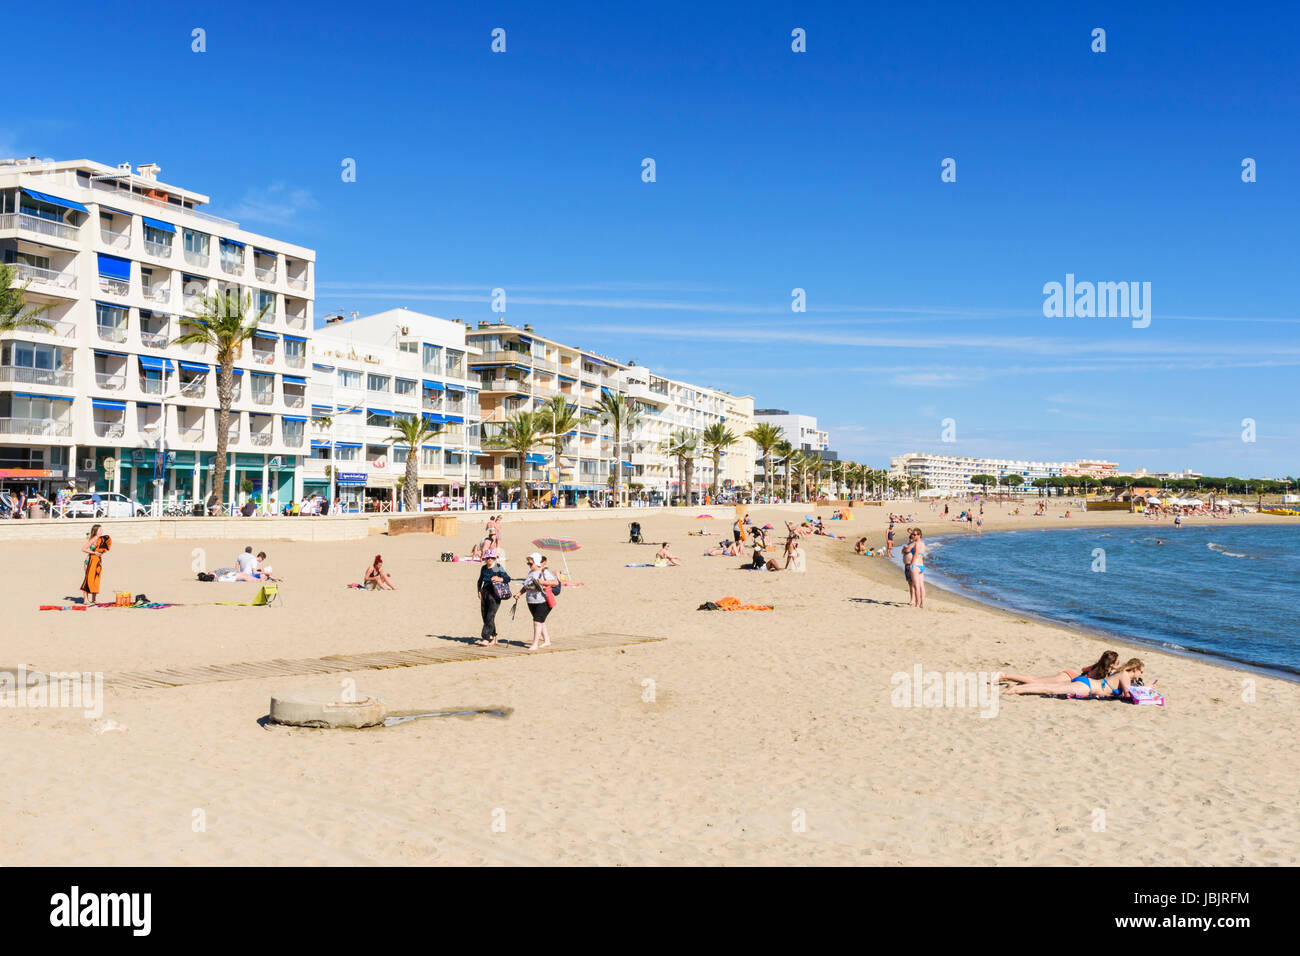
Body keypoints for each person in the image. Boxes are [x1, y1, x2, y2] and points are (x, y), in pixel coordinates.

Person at [1006, 658, 1145, 699]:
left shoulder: (1121, 673)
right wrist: (1148, 689)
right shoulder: (1126, 675)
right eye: (1141, 671)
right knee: (1049, 689)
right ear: (1135, 669)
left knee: (1050, 688)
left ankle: (1018, 688)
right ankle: (1016, 689)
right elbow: (1128, 695)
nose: (1141, 675)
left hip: (1087, 683)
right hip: (1087, 687)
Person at [1000, 651, 1118, 687]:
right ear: (1111, 664)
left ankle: (1008, 677)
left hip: (1071, 675)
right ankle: (1005, 676)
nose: (1118, 664)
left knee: (1037, 680)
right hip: (1070, 678)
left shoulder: (1097, 666)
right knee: (1036, 681)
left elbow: (1083, 669)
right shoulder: (1105, 674)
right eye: (1117, 662)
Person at [519, 552, 559, 651]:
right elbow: (526, 586)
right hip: (531, 601)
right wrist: (519, 593)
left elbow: (556, 583)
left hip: (543, 601)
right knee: (541, 621)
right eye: (528, 563)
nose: (529, 565)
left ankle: (535, 644)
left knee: (537, 622)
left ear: (536, 562)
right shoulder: (530, 573)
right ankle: (547, 641)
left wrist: (543, 582)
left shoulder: (544, 572)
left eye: (530, 563)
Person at [474, 553, 512, 645]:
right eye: (487, 558)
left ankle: (486, 638)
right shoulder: (484, 568)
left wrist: (499, 578)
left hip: (495, 593)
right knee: (485, 615)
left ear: (494, 558)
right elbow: (479, 581)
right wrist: (479, 591)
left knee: (490, 616)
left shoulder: (496, 567)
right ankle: (494, 638)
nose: (489, 559)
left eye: (491, 558)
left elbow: (507, 578)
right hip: (485, 593)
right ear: (485, 559)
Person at [80, 524, 109, 605]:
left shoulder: (101, 539)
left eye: (101, 529)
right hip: (89, 561)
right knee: (88, 580)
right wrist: (94, 552)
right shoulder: (94, 539)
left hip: (97, 561)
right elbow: (83, 549)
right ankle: (86, 600)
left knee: (96, 580)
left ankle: (94, 599)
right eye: (100, 530)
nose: (101, 531)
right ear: (96, 531)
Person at [910, 528, 927, 608]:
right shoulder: (923, 543)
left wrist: (912, 564)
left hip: (915, 565)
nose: (913, 535)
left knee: (917, 586)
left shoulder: (917, 543)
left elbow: (916, 553)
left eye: (914, 534)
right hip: (921, 566)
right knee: (921, 586)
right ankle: (922, 603)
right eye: (912, 534)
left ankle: (917, 604)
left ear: (919, 535)